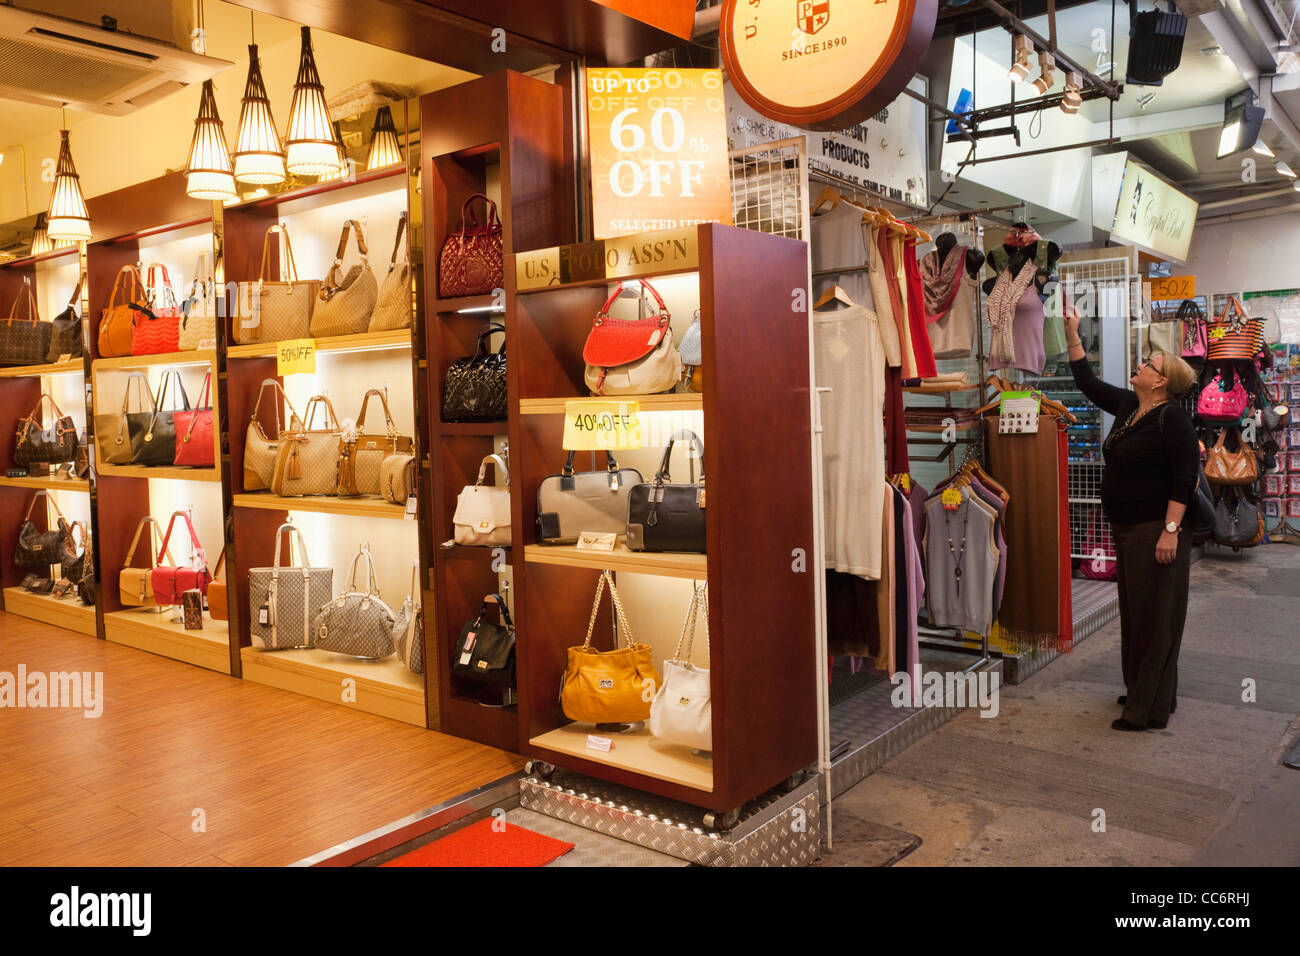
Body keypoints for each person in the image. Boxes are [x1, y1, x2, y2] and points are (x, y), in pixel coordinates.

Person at [1064, 304, 1200, 731]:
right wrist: (1073, 333)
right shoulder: (1129, 405)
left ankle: (1146, 711)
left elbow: (1184, 478)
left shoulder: (1172, 418)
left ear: (1160, 382)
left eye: (1148, 363)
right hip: (1127, 529)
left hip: (1156, 530)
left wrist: (1170, 532)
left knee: (1157, 616)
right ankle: (1153, 690)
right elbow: (1086, 382)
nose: (1140, 365)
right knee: (1137, 612)